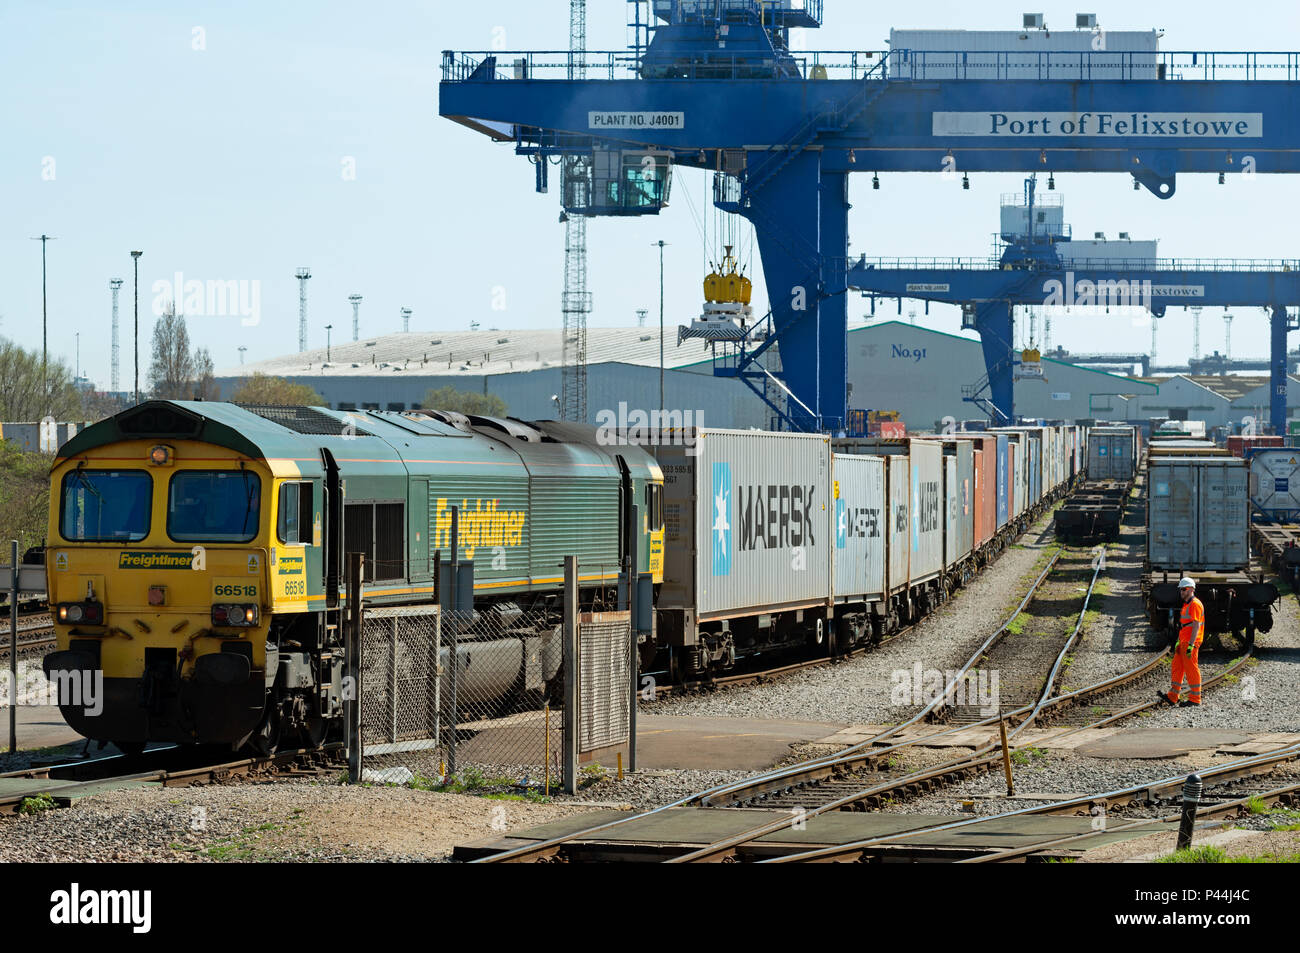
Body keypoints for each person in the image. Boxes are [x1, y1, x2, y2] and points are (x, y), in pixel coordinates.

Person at [1160, 577, 1203, 707]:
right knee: (1177, 667)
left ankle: (1195, 699)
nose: (1181, 592)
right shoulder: (1187, 604)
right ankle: (1173, 696)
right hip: (1183, 641)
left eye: (1184, 589)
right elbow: (1185, 625)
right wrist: (1179, 642)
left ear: (1191, 589)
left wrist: (1191, 644)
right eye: (1181, 590)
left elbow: (1196, 625)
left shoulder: (1195, 604)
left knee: (1191, 669)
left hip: (1191, 643)